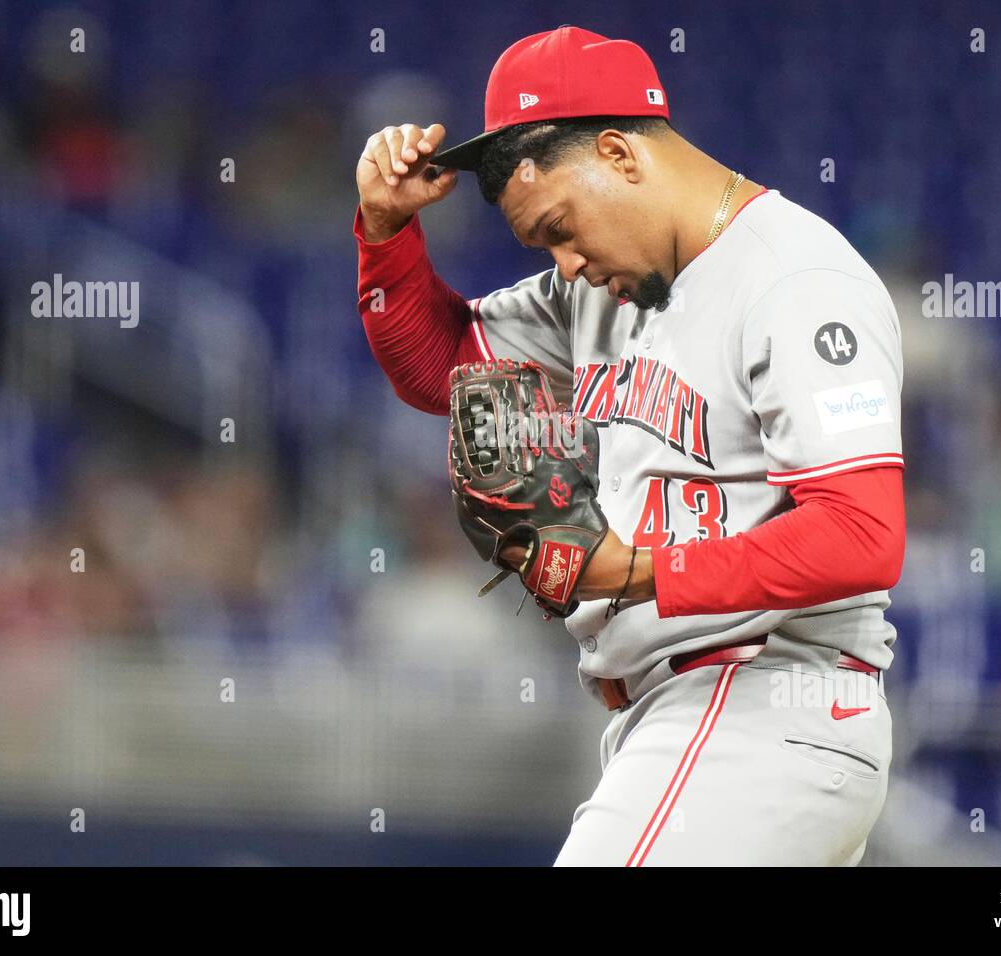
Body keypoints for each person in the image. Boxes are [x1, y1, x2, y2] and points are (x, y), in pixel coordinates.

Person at [353, 26, 906, 866]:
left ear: (618, 153)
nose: (565, 265)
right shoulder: (602, 293)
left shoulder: (796, 279)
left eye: (561, 229)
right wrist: (385, 229)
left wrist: (632, 568)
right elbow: (444, 373)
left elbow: (864, 536)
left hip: (759, 698)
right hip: (678, 717)